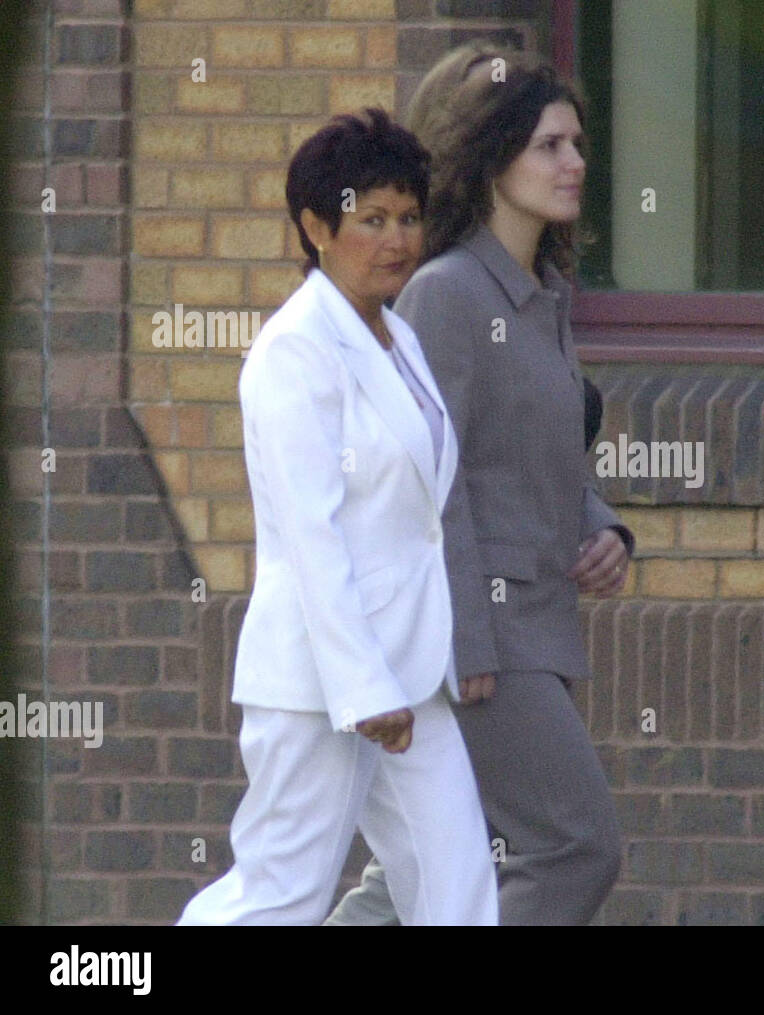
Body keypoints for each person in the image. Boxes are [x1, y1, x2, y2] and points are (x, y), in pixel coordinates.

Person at [327, 45, 633, 927]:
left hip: (541, 620)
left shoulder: (544, 292)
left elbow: (544, 448)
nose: (576, 162)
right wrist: (467, 644)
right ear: (491, 159)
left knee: (421, 870)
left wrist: (606, 526)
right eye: (549, 146)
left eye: (578, 143)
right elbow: (431, 489)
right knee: (575, 845)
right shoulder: (447, 294)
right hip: (482, 636)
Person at [177, 108, 497, 926]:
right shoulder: (294, 350)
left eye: (409, 218)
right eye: (371, 220)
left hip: (411, 669)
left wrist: (408, 673)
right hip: (323, 678)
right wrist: (363, 687)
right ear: (316, 227)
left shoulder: (398, 338)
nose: (396, 239)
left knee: (458, 884)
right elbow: (313, 537)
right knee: (281, 893)